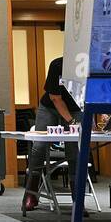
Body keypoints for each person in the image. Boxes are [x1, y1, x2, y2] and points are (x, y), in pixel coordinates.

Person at [22, 54, 81, 213]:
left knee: (75, 151)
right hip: (50, 107)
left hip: (77, 108)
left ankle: (78, 200)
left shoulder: (90, 65)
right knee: (39, 147)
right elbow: (55, 98)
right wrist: (71, 122)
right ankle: (31, 195)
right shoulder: (57, 65)